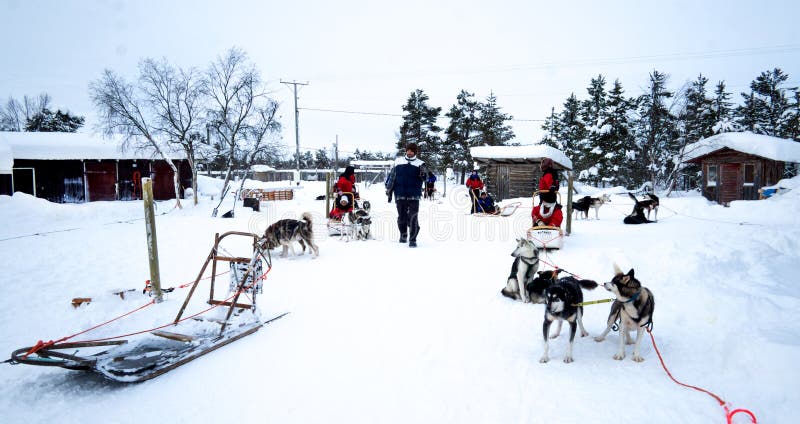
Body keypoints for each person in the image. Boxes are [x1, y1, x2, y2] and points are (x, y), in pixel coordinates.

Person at [385, 143, 425, 247]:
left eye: (412, 150)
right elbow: (392, 176)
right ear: (406, 150)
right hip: (400, 193)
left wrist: (424, 175)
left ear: (415, 152)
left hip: (414, 195)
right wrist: (389, 189)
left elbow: (427, 178)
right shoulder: (398, 162)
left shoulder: (420, 163)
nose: (409, 152)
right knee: (402, 217)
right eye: (408, 150)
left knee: (413, 217)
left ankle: (413, 239)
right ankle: (403, 235)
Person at [532, 157, 563, 227]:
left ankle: (551, 225)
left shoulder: (548, 174)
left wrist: (551, 187)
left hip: (547, 197)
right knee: (537, 211)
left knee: (555, 213)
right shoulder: (553, 173)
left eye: (542, 164)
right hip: (547, 198)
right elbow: (554, 185)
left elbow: (551, 185)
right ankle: (540, 223)